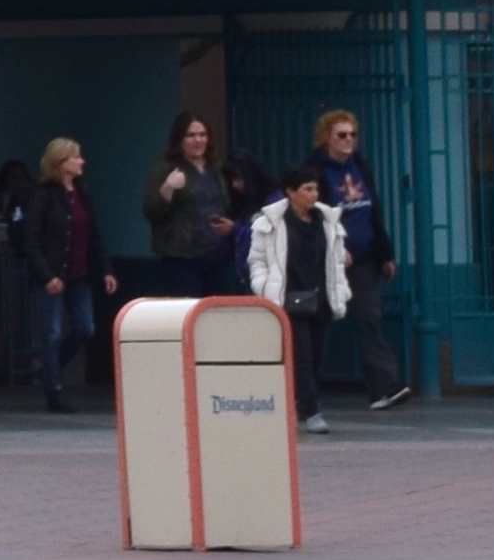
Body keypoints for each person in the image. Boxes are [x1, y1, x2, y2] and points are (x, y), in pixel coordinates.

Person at [304, 108, 412, 409]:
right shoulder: (314, 171)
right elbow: (314, 216)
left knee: (369, 318)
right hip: (330, 260)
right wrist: (336, 246)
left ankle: (383, 388)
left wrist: (385, 253)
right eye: (341, 135)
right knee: (319, 322)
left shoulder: (360, 166)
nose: (348, 140)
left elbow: (372, 211)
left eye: (352, 134)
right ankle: (305, 393)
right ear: (327, 138)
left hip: (363, 258)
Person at [247, 164, 361, 435]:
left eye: (316, 188)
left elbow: (335, 258)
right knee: (303, 357)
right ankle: (311, 410)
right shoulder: (270, 223)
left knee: (317, 356)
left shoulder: (327, 220)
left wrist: (341, 288)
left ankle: (301, 402)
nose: (314, 194)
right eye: (307, 189)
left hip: (320, 297)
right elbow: (257, 260)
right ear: (290, 192)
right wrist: (264, 287)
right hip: (289, 299)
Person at [7, 138, 99, 415]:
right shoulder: (43, 195)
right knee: (52, 331)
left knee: (86, 327)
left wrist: (105, 269)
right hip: (51, 274)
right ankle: (54, 389)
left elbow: (95, 234)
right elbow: (31, 238)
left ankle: (50, 369)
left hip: (79, 273)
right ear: (60, 163)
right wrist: (46, 275)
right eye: (75, 157)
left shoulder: (83, 194)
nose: (81, 161)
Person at [143, 115, 239, 303]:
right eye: (191, 135)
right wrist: (167, 188)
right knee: (188, 314)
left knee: (220, 311)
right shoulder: (166, 168)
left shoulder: (216, 168)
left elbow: (228, 204)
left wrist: (232, 227)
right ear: (179, 139)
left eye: (203, 135)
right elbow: (150, 211)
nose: (198, 140)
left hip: (218, 254)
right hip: (183, 257)